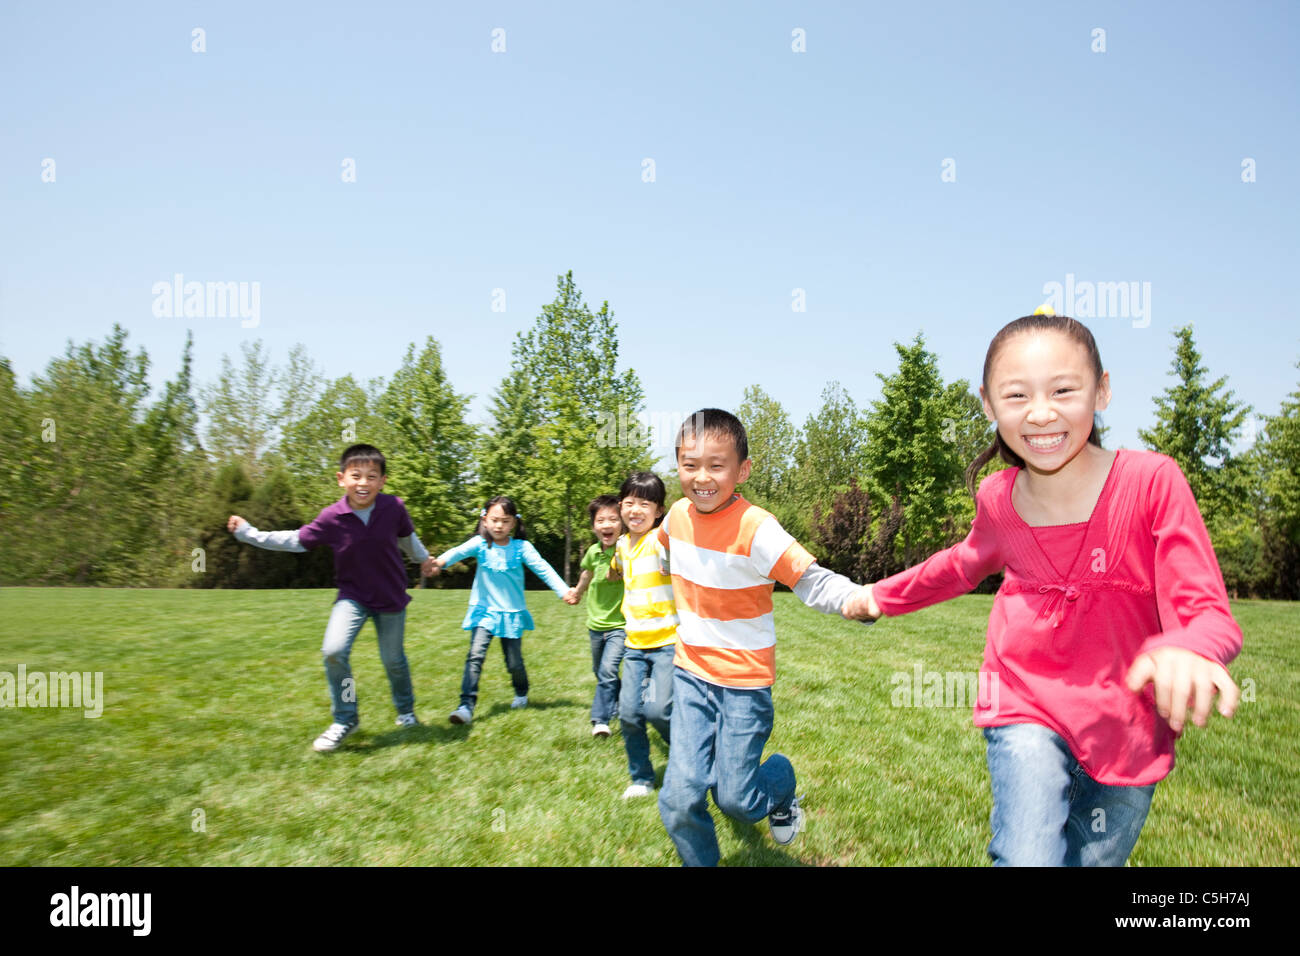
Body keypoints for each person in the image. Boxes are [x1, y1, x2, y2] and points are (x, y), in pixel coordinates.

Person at [842, 312, 1243, 866]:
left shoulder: (1152, 481)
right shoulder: (998, 498)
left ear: (1101, 391)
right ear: (988, 403)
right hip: (1023, 701)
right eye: (1017, 395)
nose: (1040, 413)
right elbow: (961, 565)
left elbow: (1204, 607)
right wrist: (880, 596)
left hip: (1129, 726)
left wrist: (1191, 646)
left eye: (1063, 390)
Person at [656, 409, 863, 866]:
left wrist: (855, 599)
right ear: (677, 466)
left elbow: (808, 578)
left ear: (742, 470)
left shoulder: (756, 528)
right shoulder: (674, 517)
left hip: (744, 686)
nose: (702, 477)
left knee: (737, 800)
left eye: (716, 465)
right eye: (690, 465)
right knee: (678, 796)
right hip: (690, 674)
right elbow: (663, 551)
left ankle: (781, 781)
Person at [227, 443, 436, 752]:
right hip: (352, 597)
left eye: (371, 476)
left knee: (394, 661)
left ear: (382, 481)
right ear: (341, 479)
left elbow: (408, 539)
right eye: (356, 475)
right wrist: (249, 533)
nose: (363, 483)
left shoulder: (394, 508)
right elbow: (295, 540)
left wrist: (424, 560)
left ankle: (406, 713)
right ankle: (346, 717)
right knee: (334, 651)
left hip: (391, 596)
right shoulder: (331, 517)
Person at [429, 496, 578, 726]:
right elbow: (456, 552)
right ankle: (465, 706)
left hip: (511, 614)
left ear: (513, 524)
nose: (499, 526)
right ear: (485, 520)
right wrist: (437, 563)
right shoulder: (479, 544)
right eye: (494, 520)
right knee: (475, 656)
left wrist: (563, 591)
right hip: (484, 611)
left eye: (505, 521)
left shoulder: (522, 548)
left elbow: (543, 568)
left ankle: (521, 692)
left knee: (514, 663)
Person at [607, 473, 678, 799]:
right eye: (630, 502)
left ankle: (690, 752)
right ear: (621, 505)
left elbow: (671, 558)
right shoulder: (622, 544)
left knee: (658, 710)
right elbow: (619, 567)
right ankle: (641, 778)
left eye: (645, 504)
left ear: (658, 510)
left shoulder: (660, 541)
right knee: (630, 713)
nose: (636, 510)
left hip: (667, 642)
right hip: (634, 643)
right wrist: (610, 571)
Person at [572, 494, 626, 738]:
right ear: (594, 526)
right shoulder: (594, 552)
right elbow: (587, 573)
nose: (607, 525)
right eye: (601, 520)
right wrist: (577, 593)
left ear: (622, 522)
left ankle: (600, 720)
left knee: (607, 670)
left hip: (621, 624)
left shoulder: (627, 548)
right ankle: (621, 703)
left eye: (613, 519)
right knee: (600, 670)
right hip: (595, 623)